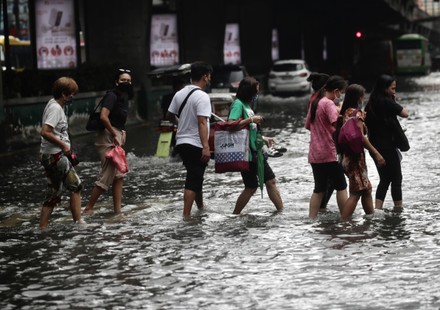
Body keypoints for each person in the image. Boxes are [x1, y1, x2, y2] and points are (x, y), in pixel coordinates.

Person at [227, 76, 284, 214]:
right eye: (255, 91)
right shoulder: (238, 104)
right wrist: (251, 119)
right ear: (248, 91)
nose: (257, 94)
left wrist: (263, 138)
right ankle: (281, 212)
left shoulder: (247, 106)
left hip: (254, 151)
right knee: (265, 183)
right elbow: (230, 124)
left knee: (254, 186)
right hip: (249, 153)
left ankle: (235, 214)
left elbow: (249, 130)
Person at [83, 68, 133, 215]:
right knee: (108, 173)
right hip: (107, 137)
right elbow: (104, 117)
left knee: (119, 176)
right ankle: (88, 208)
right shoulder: (111, 96)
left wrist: (122, 132)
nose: (126, 83)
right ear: (116, 82)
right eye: (123, 80)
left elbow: (119, 120)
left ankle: (118, 211)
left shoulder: (122, 97)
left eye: (129, 81)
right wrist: (114, 134)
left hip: (115, 135)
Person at [166, 61, 213, 219]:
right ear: (205, 77)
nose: (209, 80)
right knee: (193, 178)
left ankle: (200, 207)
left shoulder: (179, 94)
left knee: (196, 175)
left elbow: (169, 115)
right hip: (195, 143)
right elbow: (202, 122)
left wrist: (181, 124)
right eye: (209, 77)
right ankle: (186, 215)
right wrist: (206, 146)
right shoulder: (202, 96)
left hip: (181, 143)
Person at [39, 77, 82, 229]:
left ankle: (42, 228)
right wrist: (63, 144)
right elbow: (45, 132)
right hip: (55, 156)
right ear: (64, 94)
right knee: (76, 186)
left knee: (53, 194)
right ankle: (79, 223)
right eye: (71, 93)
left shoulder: (53, 104)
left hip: (49, 155)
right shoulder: (56, 109)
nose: (73, 96)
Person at [338, 84, 385, 220]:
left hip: (347, 156)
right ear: (359, 97)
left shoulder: (345, 112)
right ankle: (343, 222)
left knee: (366, 189)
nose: (364, 98)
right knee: (356, 192)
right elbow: (361, 138)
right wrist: (377, 154)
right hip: (355, 158)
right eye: (362, 95)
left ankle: (370, 218)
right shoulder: (357, 113)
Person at [305, 75, 348, 219]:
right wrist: (341, 112)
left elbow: (308, 126)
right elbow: (337, 125)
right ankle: (345, 218)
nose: (340, 95)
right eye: (340, 92)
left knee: (319, 189)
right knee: (341, 186)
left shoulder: (315, 102)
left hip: (315, 153)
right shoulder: (328, 104)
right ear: (335, 91)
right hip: (329, 152)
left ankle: (311, 218)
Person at [365, 74, 409, 210]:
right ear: (384, 88)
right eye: (392, 88)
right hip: (388, 146)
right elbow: (405, 113)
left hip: (374, 146)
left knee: (384, 179)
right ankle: (398, 209)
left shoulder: (371, 102)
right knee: (396, 178)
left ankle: (377, 209)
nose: (394, 90)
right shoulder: (387, 101)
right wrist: (399, 104)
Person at [307, 72, 333, 210]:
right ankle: (322, 208)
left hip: (315, 149)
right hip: (328, 148)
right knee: (338, 183)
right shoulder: (324, 102)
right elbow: (335, 123)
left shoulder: (313, 100)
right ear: (325, 87)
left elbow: (308, 126)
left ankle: (318, 211)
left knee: (322, 185)